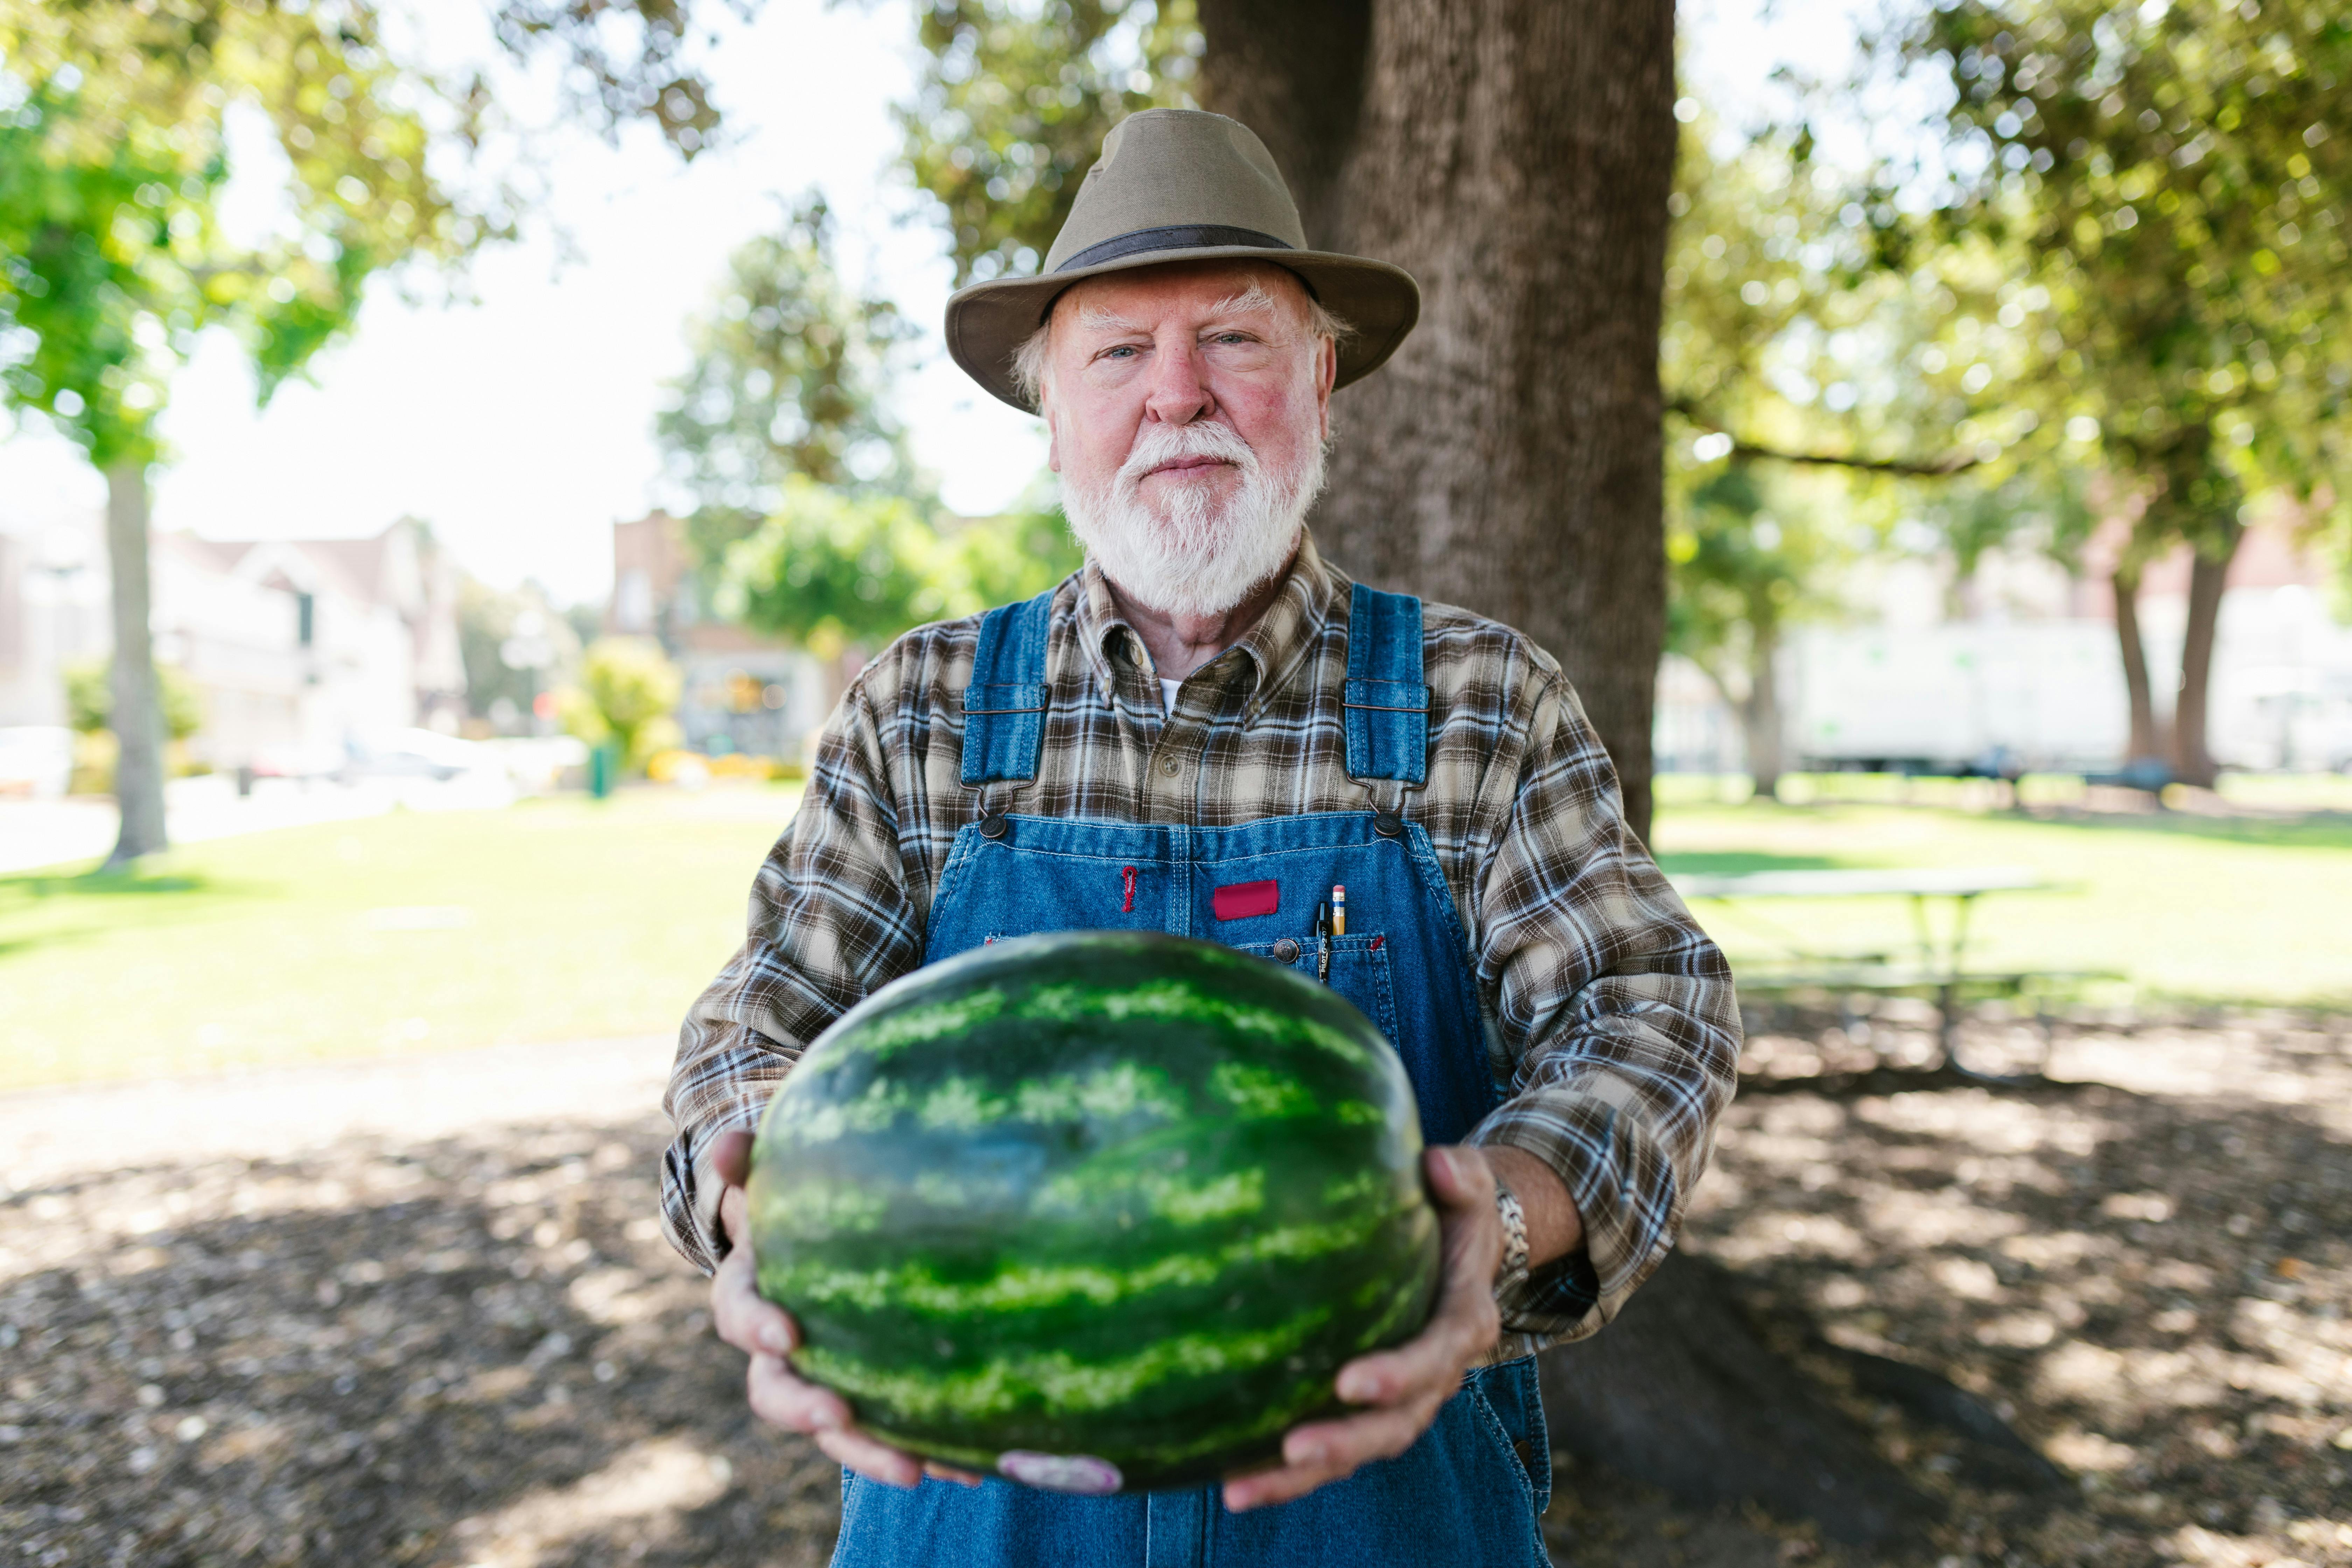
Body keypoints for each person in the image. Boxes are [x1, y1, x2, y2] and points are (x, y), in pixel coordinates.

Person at [661, 107, 1741, 1567]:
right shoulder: (917, 712)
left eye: (1235, 339)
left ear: (1322, 382)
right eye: (1118, 352)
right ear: (1054, 411)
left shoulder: (1477, 701)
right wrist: (757, 1207)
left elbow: (1648, 1008)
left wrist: (1496, 1214)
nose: (1179, 396)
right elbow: (755, 1027)